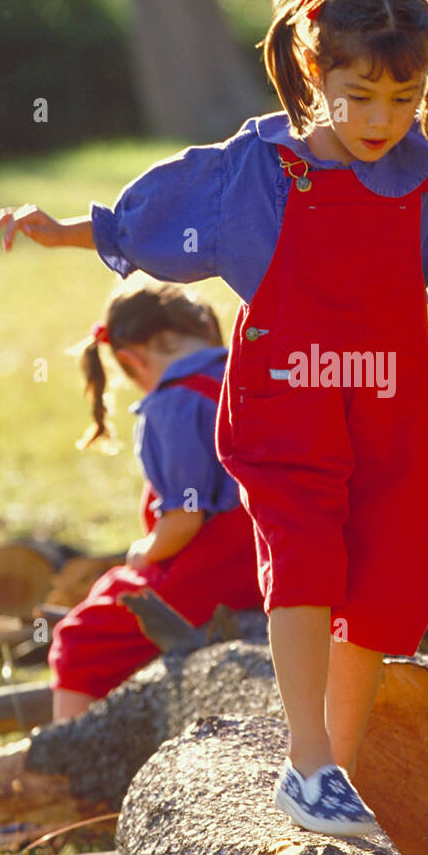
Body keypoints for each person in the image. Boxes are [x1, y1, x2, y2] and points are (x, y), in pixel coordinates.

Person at [0, 0, 428, 835]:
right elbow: (146, 223)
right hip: (287, 394)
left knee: (391, 577)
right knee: (304, 558)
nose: (382, 118)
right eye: (360, 96)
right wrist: (54, 229)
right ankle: (306, 760)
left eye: (403, 99)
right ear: (313, 66)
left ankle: (335, 766)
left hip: (393, 400)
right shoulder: (256, 171)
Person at [39, 278, 261, 720]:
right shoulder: (251, 374)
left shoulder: (175, 403)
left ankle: (66, 766)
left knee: (80, 638)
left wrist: (144, 550)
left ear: (131, 359)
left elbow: (184, 519)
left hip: (216, 574)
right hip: (275, 564)